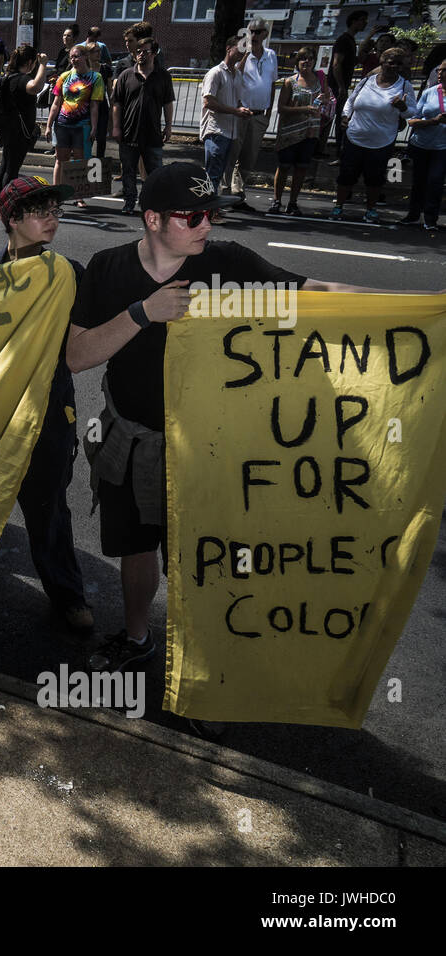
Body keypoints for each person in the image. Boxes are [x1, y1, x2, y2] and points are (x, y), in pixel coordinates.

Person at [65, 163, 437, 674]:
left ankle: (204, 670)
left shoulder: (226, 263)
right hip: (131, 440)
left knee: (201, 562)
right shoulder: (107, 268)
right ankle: (137, 637)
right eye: (192, 216)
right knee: (134, 549)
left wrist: (427, 307)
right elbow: (76, 356)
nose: (206, 226)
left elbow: (316, 293)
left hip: (207, 450)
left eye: (210, 215)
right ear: (152, 219)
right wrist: (143, 313)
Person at [0, 176, 93, 633]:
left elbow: (85, 343)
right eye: (40, 210)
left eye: (55, 211)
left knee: (48, 509)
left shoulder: (69, 274)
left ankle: (68, 596)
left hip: (47, 414)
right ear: (12, 219)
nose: (52, 219)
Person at [333, 46, 416, 223]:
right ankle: (338, 206)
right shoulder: (366, 81)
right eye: (390, 62)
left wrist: (403, 108)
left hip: (381, 142)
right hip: (354, 137)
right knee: (347, 175)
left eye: (398, 64)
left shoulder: (404, 86)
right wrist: (345, 117)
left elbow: (411, 113)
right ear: (382, 62)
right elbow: (350, 101)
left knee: (374, 178)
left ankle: (370, 209)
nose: (393, 66)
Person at [111, 34, 173, 215]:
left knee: (155, 173)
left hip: (152, 134)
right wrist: (116, 127)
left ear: (154, 53)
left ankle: (150, 203)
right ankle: (129, 201)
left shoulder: (163, 76)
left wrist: (168, 126)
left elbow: (168, 103)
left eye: (145, 51)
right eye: (138, 52)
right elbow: (117, 104)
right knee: (128, 171)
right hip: (129, 133)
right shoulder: (126, 75)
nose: (141, 55)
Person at [226, 19, 278, 209]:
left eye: (258, 32)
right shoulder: (242, 54)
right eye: (251, 32)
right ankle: (225, 195)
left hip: (259, 115)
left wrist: (269, 111)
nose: (254, 36)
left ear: (265, 34)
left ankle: (238, 194)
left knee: (249, 157)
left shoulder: (271, 55)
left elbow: (272, 83)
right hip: (241, 113)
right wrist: (246, 54)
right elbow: (233, 74)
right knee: (232, 154)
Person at [269, 47, 326, 215]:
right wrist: (304, 109)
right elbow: (281, 108)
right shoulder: (290, 82)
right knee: (284, 166)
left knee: (301, 167)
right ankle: (277, 200)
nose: (306, 62)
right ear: (297, 62)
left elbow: (328, 99)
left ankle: (293, 202)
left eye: (310, 58)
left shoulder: (320, 80)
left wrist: (324, 101)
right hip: (290, 131)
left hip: (310, 131)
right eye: (302, 59)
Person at [49, 44, 103, 206]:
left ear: (85, 57)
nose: (73, 59)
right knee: (61, 160)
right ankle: (55, 194)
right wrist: (48, 124)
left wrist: (94, 127)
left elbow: (94, 105)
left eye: (77, 56)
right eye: (72, 57)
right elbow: (56, 103)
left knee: (80, 162)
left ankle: (78, 196)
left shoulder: (95, 78)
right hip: (62, 125)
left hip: (82, 126)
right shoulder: (64, 76)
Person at [0, 46, 49, 194]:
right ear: (30, 62)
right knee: (12, 169)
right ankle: (6, 199)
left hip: (7, 127)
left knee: (5, 164)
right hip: (19, 131)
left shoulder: (8, 77)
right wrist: (43, 64)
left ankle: (0, 197)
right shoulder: (22, 79)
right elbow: (35, 87)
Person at [201, 38, 250, 196]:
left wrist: (243, 110)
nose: (242, 52)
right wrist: (235, 111)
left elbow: (237, 101)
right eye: (240, 48)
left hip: (230, 132)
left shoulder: (237, 75)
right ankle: (207, 210)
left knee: (219, 173)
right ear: (229, 48)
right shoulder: (216, 73)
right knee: (213, 175)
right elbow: (208, 102)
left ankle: (210, 209)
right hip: (216, 132)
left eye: (245, 49)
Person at [399, 72, 445, 232]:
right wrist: (433, 121)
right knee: (419, 182)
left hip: (442, 147)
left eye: (444, 71)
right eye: (439, 72)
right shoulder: (429, 92)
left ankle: (431, 219)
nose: (440, 75)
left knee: (435, 181)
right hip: (421, 145)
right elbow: (412, 120)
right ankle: (413, 215)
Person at [326, 9, 368, 163]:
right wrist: (341, 87)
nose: (365, 23)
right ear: (354, 21)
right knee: (339, 119)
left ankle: (336, 152)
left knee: (336, 119)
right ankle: (338, 153)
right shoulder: (344, 40)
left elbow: (352, 62)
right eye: (362, 20)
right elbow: (336, 64)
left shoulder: (350, 40)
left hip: (339, 85)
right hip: (336, 86)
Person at [84, 25, 113, 160]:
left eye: (99, 51)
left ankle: (99, 163)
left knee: (101, 138)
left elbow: (110, 89)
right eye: (95, 51)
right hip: (86, 107)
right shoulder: (84, 70)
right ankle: (86, 163)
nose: (99, 54)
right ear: (88, 54)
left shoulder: (105, 69)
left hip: (101, 106)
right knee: (87, 137)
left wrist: (113, 108)